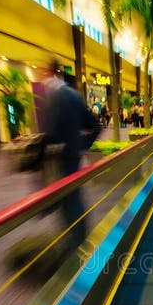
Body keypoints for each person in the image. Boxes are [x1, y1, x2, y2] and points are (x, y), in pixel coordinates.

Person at [44, 64, 102, 250]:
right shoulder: (73, 96)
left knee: (69, 199)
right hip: (71, 156)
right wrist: (81, 145)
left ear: (54, 74)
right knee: (72, 197)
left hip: (62, 158)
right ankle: (78, 240)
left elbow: (52, 132)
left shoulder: (59, 97)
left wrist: (78, 144)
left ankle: (76, 244)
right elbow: (96, 125)